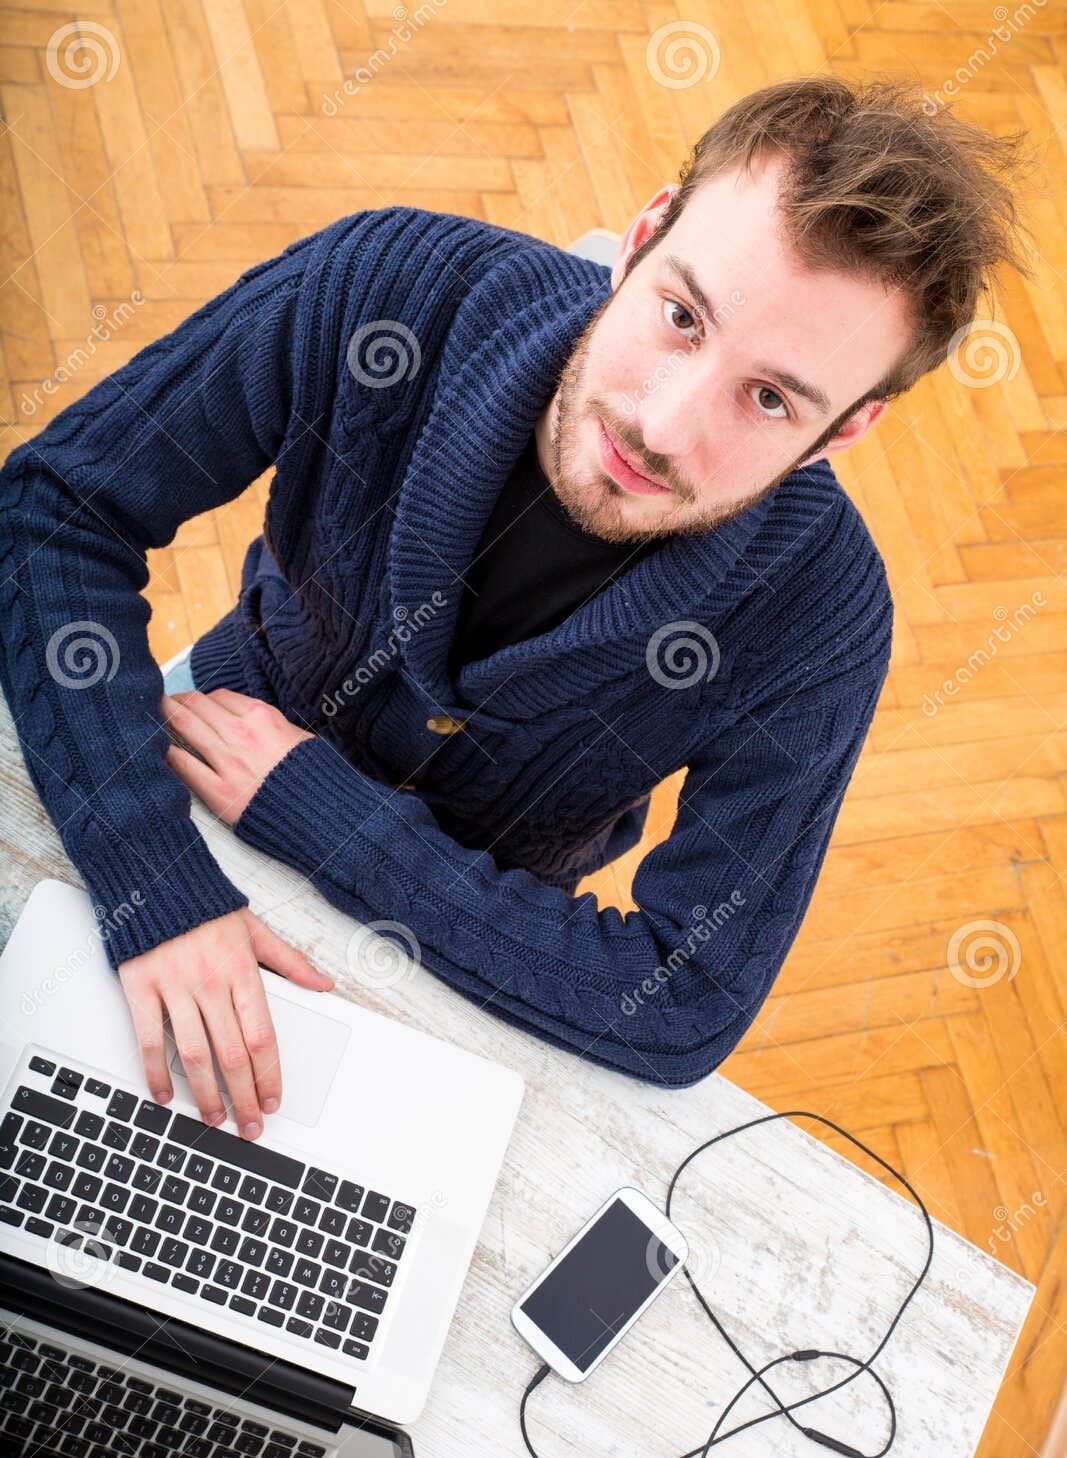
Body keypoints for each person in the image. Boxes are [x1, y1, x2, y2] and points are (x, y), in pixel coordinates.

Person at [0, 76, 1029, 1140]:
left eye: (769, 398)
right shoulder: (383, 287)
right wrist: (149, 880)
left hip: (476, 941)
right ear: (638, 239)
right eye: (681, 317)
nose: (662, 429)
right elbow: (53, 509)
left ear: (843, 432)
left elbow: (684, 998)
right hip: (172, 763)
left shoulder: (820, 616)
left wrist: (324, 811)